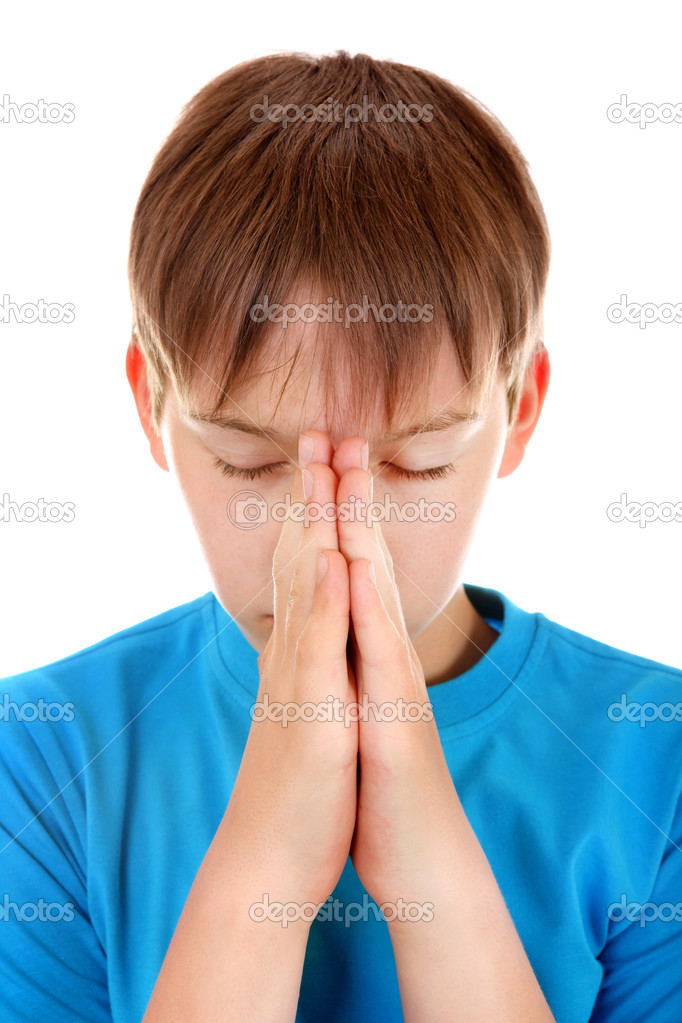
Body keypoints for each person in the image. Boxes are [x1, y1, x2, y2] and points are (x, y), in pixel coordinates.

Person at [1, 49, 680, 1022]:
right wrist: (267, 852)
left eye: (416, 464)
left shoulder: (657, 765)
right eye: (246, 462)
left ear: (519, 412)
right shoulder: (39, 760)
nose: (329, 539)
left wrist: (430, 864)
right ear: (151, 408)